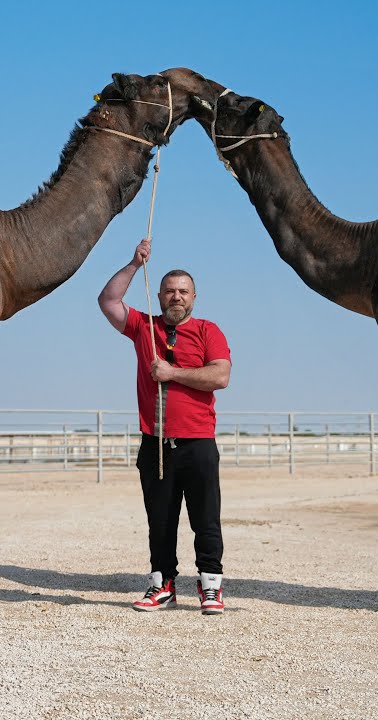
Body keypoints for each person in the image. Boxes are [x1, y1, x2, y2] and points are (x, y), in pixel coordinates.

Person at [98, 238, 232, 615]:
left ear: (194, 297)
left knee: (206, 519)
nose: (177, 297)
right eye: (170, 291)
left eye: (183, 291)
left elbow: (220, 376)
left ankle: (210, 586)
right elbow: (108, 301)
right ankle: (163, 585)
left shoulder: (208, 331)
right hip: (155, 443)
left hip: (199, 442)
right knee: (160, 519)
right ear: (158, 296)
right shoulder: (144, 327)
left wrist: (172, 373)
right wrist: (133, 264)